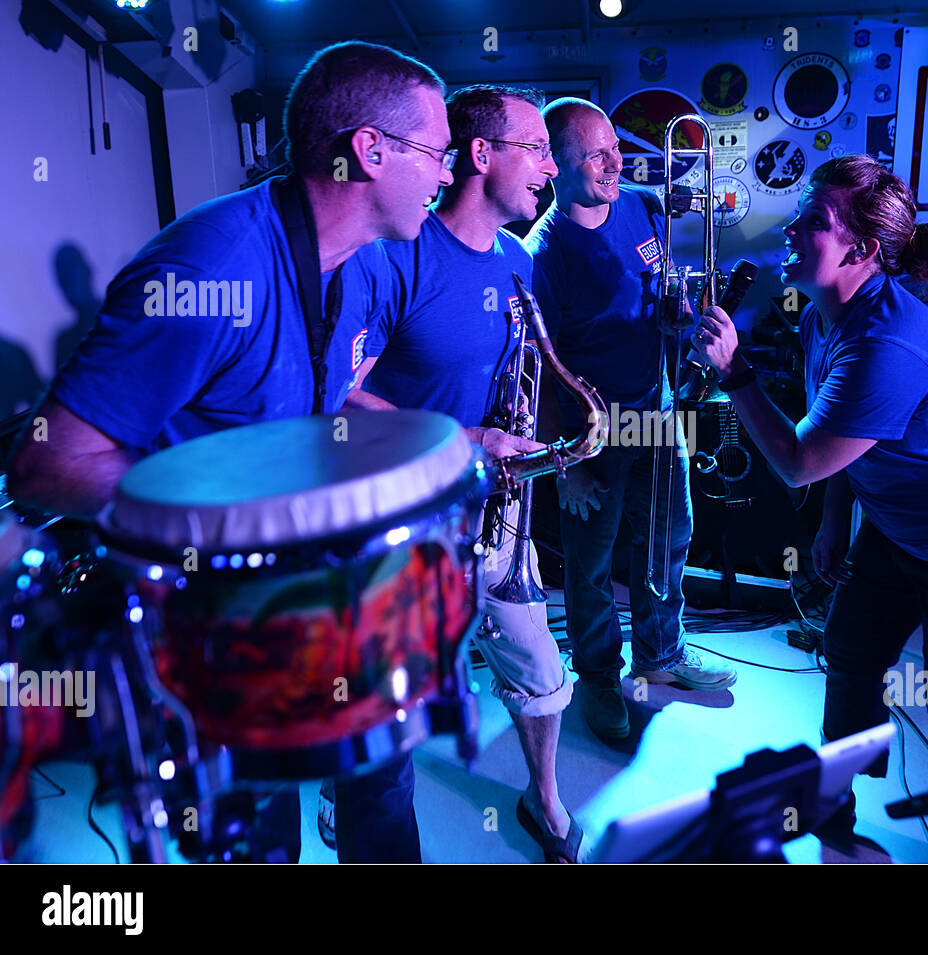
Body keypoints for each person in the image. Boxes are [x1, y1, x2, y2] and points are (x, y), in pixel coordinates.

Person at [7, 41, 456, 863]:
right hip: (208, 624)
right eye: (438, 153)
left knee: (384, 782)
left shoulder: (357, 268)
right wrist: (235, 518)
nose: (447, 175)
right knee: (257, 838)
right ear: (370, 150)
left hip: (300, 595)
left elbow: (311, 401)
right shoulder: (211, 264)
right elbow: (46, 464)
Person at [692, 155, 928, 861]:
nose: (792, 229)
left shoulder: (887, 340)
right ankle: (836, 833)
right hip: (899, 534)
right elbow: (843, 449)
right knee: (850, 661)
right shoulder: (823, 318)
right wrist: (835, 524)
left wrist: (735, 372)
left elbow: (800, 458)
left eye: (813, 222)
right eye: (798, 214)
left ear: (862, 250)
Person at [341, 85, 584, 863]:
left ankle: (544, 796)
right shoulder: (394, 255)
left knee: (541, 668)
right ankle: (348, 801)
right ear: (483, 156)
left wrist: (550, 451)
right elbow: (339, 398)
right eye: (538, 149)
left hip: (499, 516)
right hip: (406, 523)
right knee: (396, 703)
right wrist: (464, 435)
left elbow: (518, 382)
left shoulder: (517, 260)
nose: (551, 168)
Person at [523, 98, 735, 743]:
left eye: (614, 147)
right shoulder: (544, 251)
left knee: (668, 538)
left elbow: (656, 294)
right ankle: (595, 677)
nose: (615, 162)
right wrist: (566, 469)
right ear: (556, 164)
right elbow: (539, 366)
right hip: (594, 428)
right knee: (590, 566)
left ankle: (659, 654)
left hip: (658, 407)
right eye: (595, 154)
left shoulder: (640, 205)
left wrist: (678, 316)